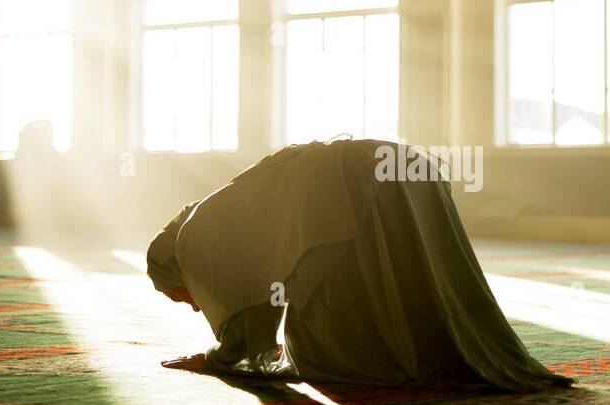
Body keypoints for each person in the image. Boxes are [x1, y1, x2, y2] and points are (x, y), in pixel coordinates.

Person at [147, 138, 571, 391]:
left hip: (359, 180)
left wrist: (219, 358)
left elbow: (247, 309)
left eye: (178, 296)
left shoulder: (193, 238)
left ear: (175, 267)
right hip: (405, 164)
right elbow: (267, 286)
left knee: (323, 344)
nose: (193, 305)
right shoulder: (215, 211)